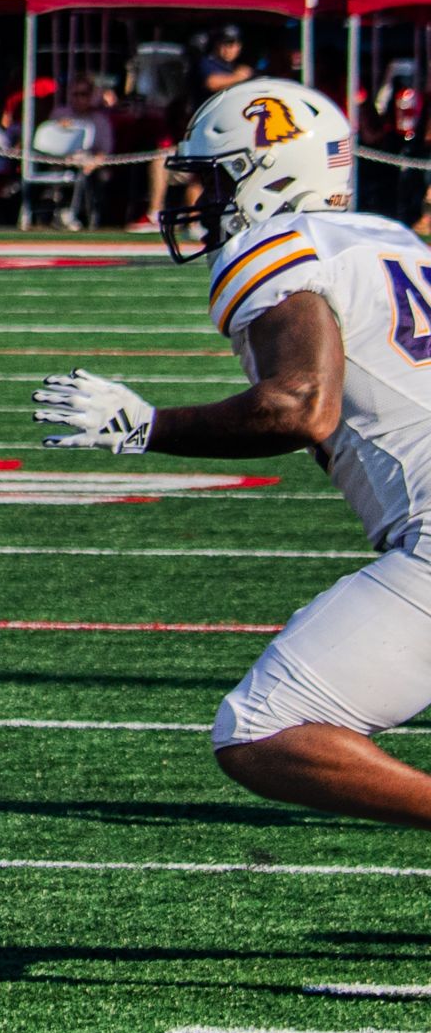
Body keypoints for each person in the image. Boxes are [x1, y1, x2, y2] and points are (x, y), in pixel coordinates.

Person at [34, 78, 431, 859]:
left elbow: (299, 404)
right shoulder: (394, 240)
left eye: (215, 176)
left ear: (266, 171)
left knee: (265, 728)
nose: (200, 198)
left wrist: (147, 427)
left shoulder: (281, 246)